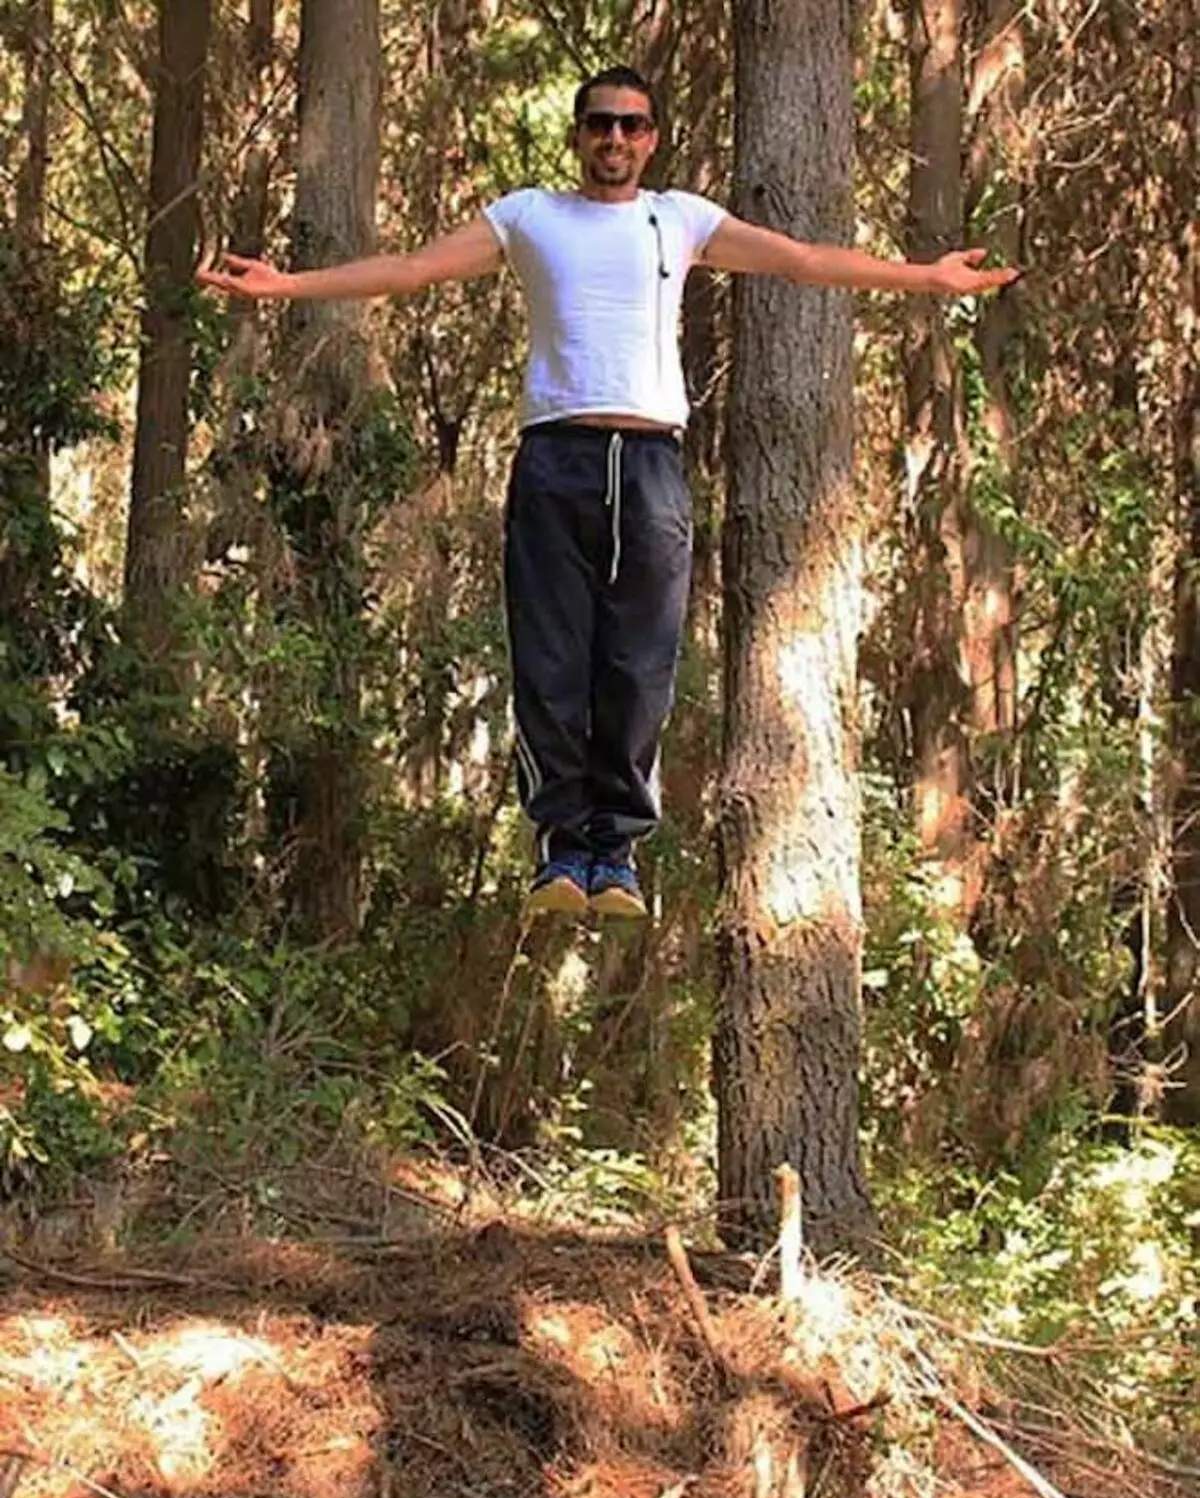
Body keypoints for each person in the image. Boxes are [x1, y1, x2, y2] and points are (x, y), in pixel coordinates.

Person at [198, 64, 1018, 922]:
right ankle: (561, 846)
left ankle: (615, 851)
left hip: (652, 461)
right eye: (600, 125)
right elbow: (410, 270)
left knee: (637, 663)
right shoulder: (529, 218)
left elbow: (803, 261)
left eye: (631, 125)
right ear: (578, 135)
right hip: (557, 456)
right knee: (552, 656)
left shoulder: (681, 220)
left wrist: (927, 279)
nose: (615, 140)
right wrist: (287, 287)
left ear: (652, 138)